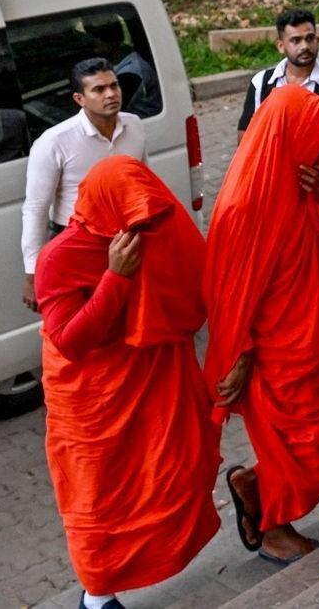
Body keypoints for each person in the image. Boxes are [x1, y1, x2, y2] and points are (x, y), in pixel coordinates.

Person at [36, 156, 219, 609]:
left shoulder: (146, 235)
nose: (145, 226)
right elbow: (69, 341)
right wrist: (116, 278)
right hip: (90, 405)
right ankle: (96, 597)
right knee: (97, 502)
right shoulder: (59, 257)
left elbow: (192, 293)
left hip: (149, 383)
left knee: (172, 473)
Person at [205, 86, 319, 565]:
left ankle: (253, 486)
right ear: (287, 137)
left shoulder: (310, 172)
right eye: (315, 134)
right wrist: (238, 355)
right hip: (280, 350)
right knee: (303, 446)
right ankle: (272, 526)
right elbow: (226, 294)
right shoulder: (242, 205)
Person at [21, 59, 148, 313]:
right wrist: (32, 273)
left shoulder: (134, 125)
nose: (110, 94)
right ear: (79, 99)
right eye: (99, 89)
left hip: (125, 241)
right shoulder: (54, 142)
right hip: (75, 244)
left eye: (114, 86)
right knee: (82, 321)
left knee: (130, 315)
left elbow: (144, 182)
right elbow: (35, 208)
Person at [238, 9, 319, 160]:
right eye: (296, 40)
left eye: (310, 38)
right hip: (273, 172)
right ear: (281, 46)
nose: (304, 46)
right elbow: (245, 139)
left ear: (317, 40)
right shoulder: (261, 82)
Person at [92, 19, 161, 118]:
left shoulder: (131, 73)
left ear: (111, 42)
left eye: (98, 38)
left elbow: (105, 108)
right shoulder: (120, 59)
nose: (93, 42)